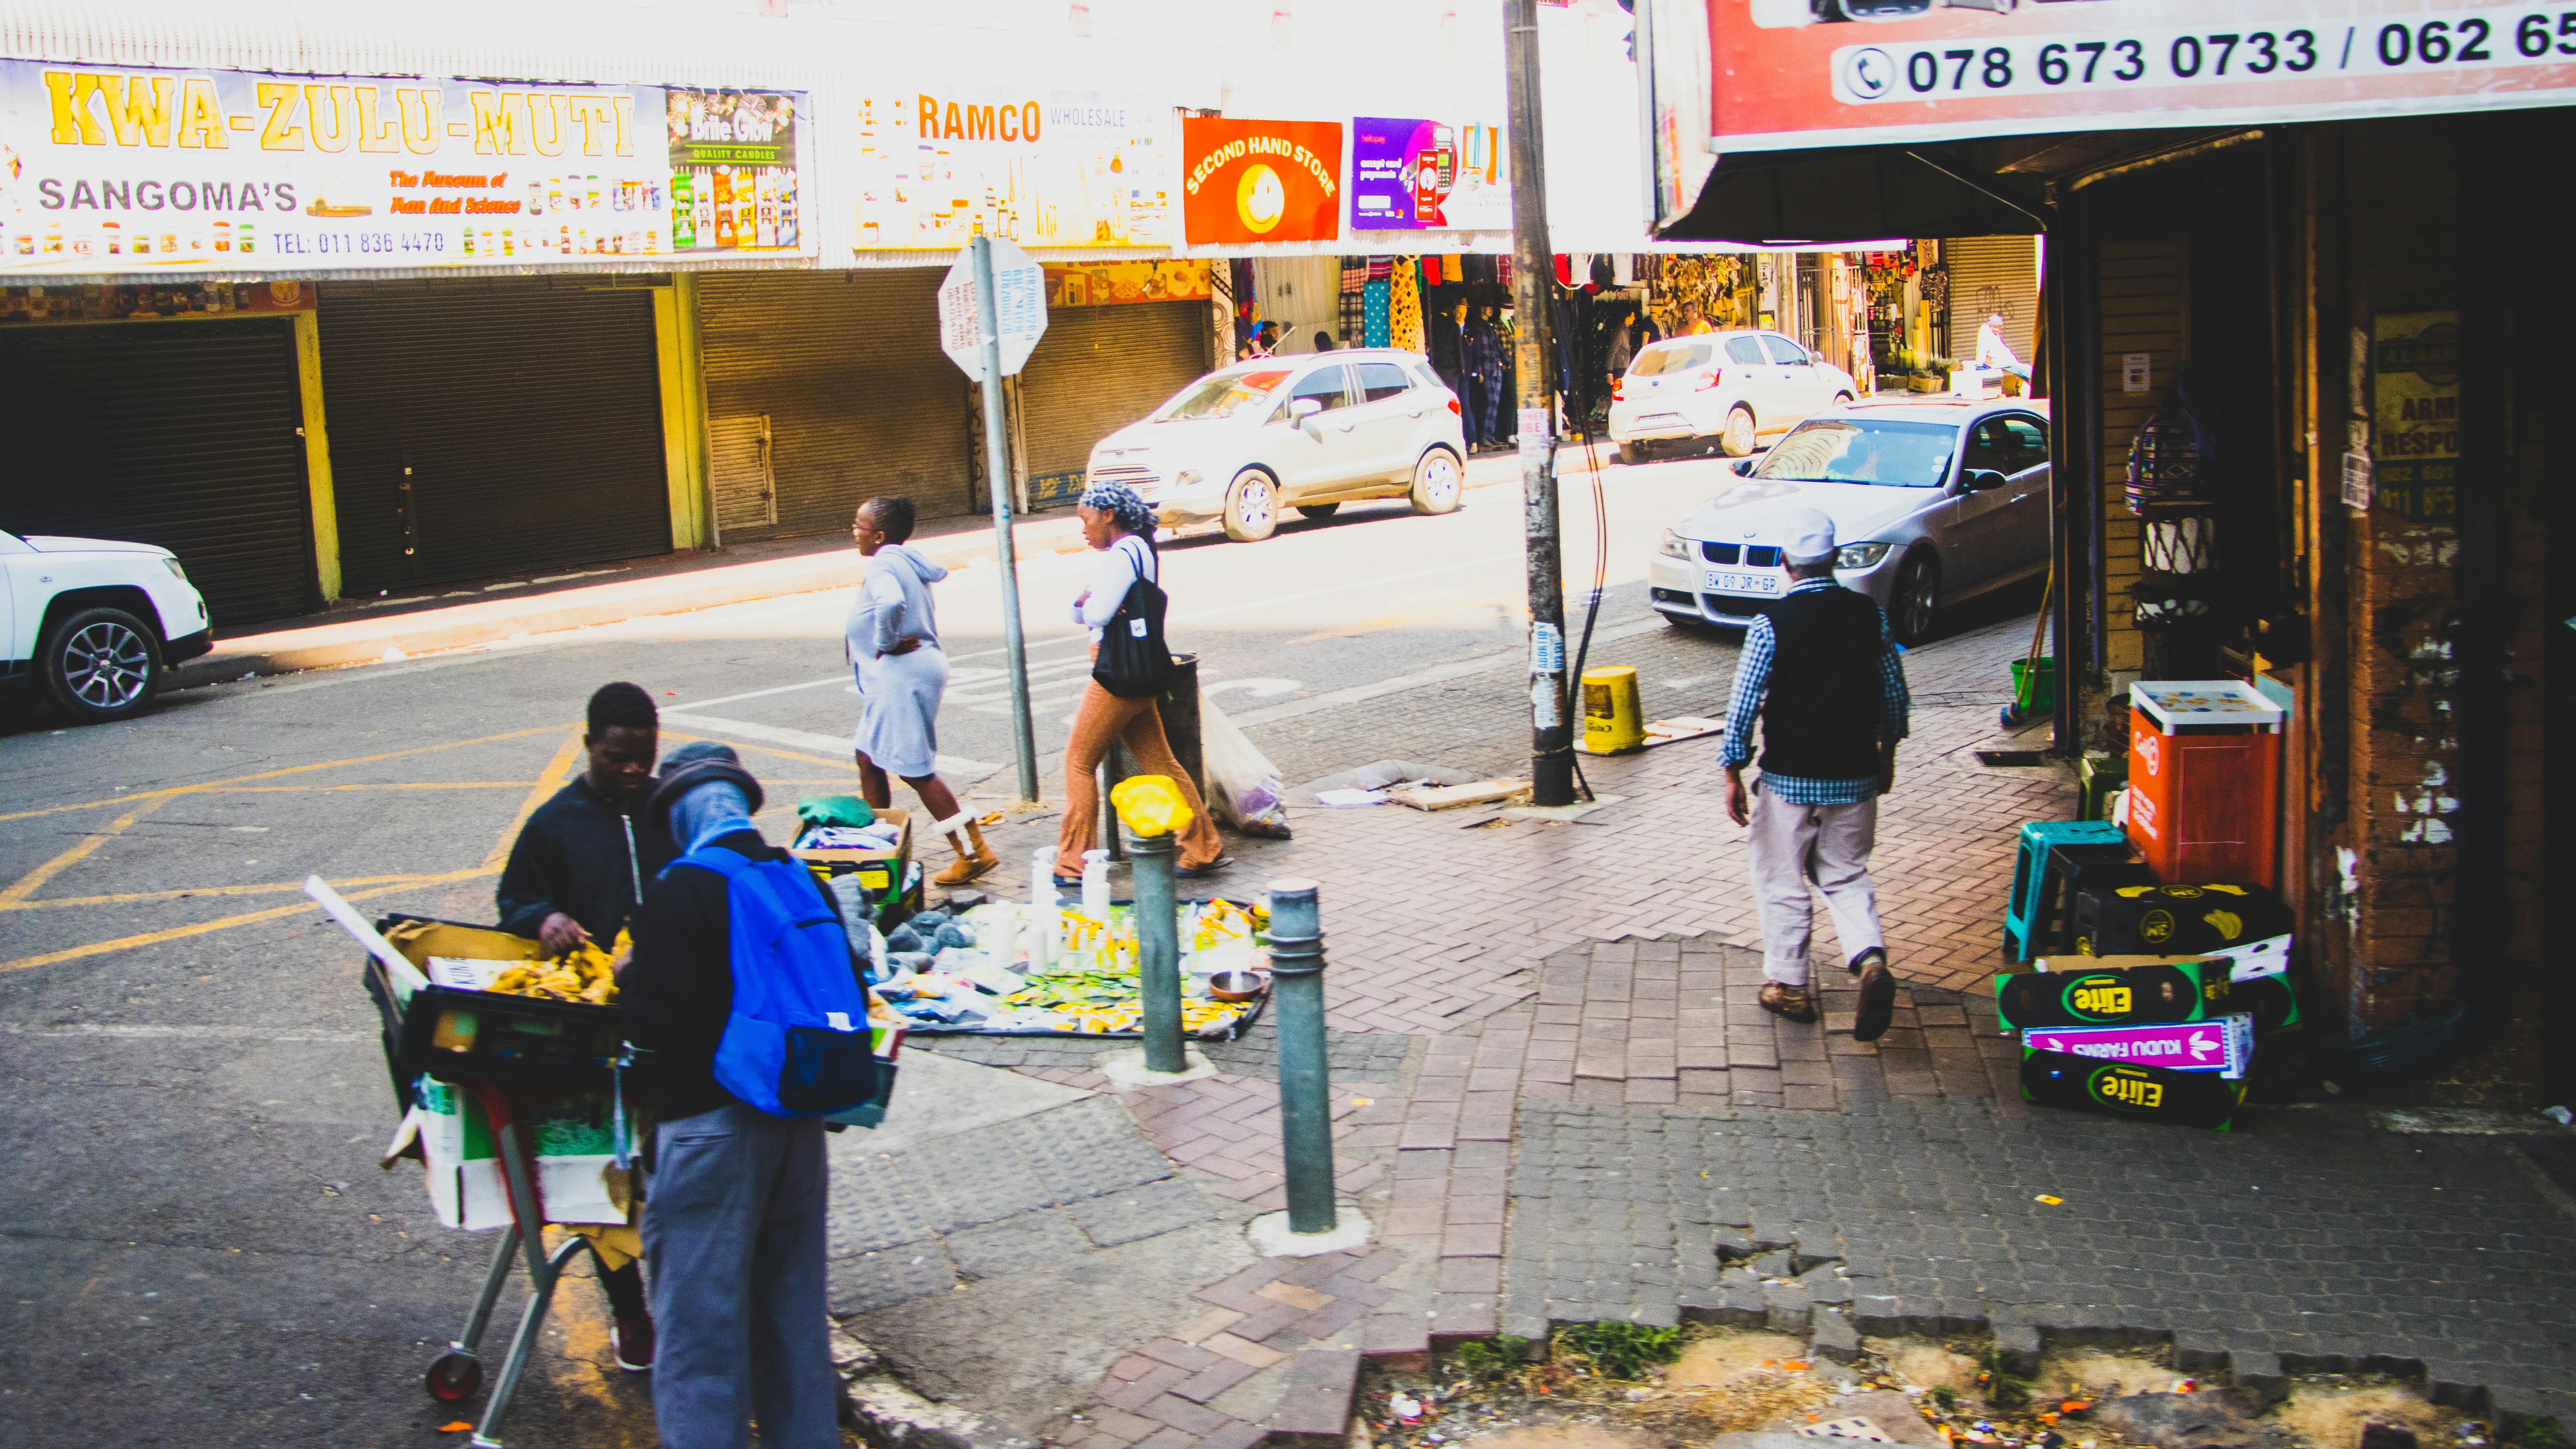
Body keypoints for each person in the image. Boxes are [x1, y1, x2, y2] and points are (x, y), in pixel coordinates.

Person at [621, 742, 843, 1449]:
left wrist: (632, 974)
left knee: (698, 1339)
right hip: (798, 1128)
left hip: (708, 1133)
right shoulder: (799, 875)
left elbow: (656, 1028)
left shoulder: (680, 888)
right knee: (794, 1324)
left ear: (681, 811)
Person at [493, 679, 674, 1370]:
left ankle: (686, 1296)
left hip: (673, 1021)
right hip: (592, 1029)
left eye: (644, 755)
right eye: (617, 756)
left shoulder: (667, 806)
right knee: (608, 1180)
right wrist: (541, 919)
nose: (632, 769)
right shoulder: (553, 823)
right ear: (589, 745)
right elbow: (515, 897)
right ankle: (631, 1314)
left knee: (678, 1170)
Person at [1718, 509, 1910, 1043]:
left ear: (1786, 564)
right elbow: (1893, 694)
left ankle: (1787, 984)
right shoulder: (1867, 615)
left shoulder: (1770, 624)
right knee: (1845, 872)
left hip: (1789, 778)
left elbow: (1743, 704)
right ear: (1833, 559)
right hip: (1854, 774)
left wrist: (1732, 768)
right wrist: (1887, 748)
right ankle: (1868, 960)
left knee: (1780, 878)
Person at [1052, 481, 1227, 887]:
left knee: (1078, 762)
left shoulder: (1122, 554)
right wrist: (1086, 606)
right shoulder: (1139, 549)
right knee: (1161, 764)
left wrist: (1085, 602)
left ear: (1108, 515)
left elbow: (1094, 610)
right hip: (1139, 669)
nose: (1083, 528)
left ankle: (1070, 861)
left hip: (1118, 674)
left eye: (1085, 518)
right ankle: (1204, 846)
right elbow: (1088, 611)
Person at [847, 497, 996, 885]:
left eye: (859, 526)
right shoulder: (903, 559)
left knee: (916, 770)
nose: (854, 531)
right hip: (910, 671)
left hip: (902, 674)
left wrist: (886, 641)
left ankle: (973, 852)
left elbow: (891, 603)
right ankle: (877, 846)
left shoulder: (883, 562)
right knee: (868, 756)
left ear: (878, 536)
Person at [1976, 313, 2029, 383]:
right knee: (2028, 371)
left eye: (1999, 328)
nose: (1997, 330)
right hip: (2004, 363)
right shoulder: (1986, 336)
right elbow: (1982, 350)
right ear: (1990, 325)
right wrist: (1979, 364)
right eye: (1995, 327)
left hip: (2007, 362)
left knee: (2028, 370)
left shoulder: (1993, 335)